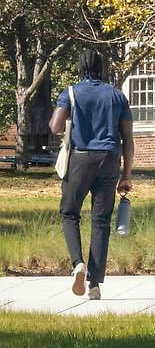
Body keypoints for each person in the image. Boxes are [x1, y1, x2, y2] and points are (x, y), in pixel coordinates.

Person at [50, 49, 133, 300]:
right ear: (102, 68)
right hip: (109, 159)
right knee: (101, 221)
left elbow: (55, 126)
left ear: (80, 68)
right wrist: (126, 174)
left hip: (80, 159)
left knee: (69, 212)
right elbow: (128, 138)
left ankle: (78, 264)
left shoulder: (71, 93)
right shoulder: (117, 96)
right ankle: (95, 285)